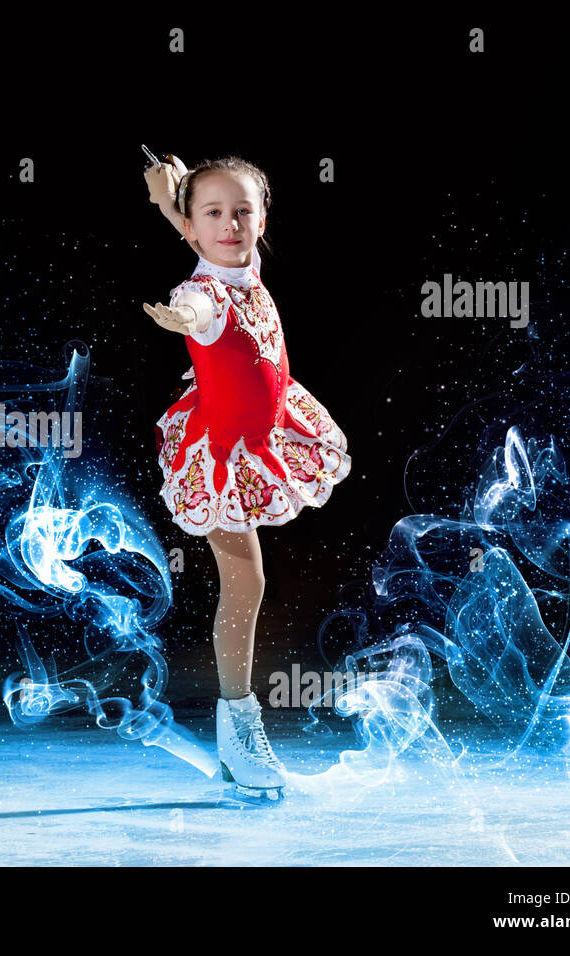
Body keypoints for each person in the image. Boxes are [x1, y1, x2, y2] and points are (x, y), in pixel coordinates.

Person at [143, 154, 352, 802]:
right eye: (214, 213)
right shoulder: (201, 294)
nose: (231, 223)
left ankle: (237, 729)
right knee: (247, 582)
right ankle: (238, 727)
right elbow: (198, 303)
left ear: (262, 218)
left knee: (250, 582)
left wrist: (170, 206)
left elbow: (221, 254)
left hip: (264, 433)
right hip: (223, 454)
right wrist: (184, 317)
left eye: (243, 210)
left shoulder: (241, 266)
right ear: (193, 226)